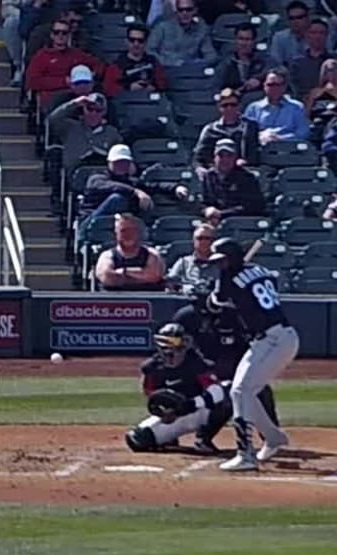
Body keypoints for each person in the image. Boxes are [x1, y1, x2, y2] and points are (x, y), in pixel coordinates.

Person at [203, 236, 297, 471]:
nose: (219, 266)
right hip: (275, 338)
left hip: (274, 339)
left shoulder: (229, 279)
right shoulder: (261, 270)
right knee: (244, 391)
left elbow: (216, 303)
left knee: (241, 391)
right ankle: (273, 438)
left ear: (233, 258)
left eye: (223, 261)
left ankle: (246, 454)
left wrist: (213, 293)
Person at [123, 322, 229, 453]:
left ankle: (203, 439)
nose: (178, 350)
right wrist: (163, 411)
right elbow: (150, 393)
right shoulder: (152, 367)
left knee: (228, 392)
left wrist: (192, 403)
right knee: (137, 439)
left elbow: (217, 391)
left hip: (199, 412)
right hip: (173, 416)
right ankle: (169, 438)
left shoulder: (196, 362)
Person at [79, 144, 191, 235]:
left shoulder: (131, 182)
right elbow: (110, 186)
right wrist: (135, 192)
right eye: (117, 162)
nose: (121, 165)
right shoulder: (96, 178)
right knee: (117, 198)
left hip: (122, 226)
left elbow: (153, 186)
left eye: (125, 162)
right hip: (92, 222)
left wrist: (175, 188)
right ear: (109, 163)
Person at [24, 13, 100, 104]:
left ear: (69, 35)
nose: (60, 36)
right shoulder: (41, 56)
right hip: (53, 97)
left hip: (78, 95)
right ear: (52, 35)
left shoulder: (77, 54)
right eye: (57, 32)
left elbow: (98, 65)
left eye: (64, 33)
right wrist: (64, 81)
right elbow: (33, 81)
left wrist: (91, 76)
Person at [92, 212, 164, 290]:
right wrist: (141, 274)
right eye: (123, 231)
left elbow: (153, 276)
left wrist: (123, 272)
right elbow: (107, 277)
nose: (128, 235)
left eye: (132, 230)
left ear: (139, 232)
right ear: (116, 233)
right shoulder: (107, 256)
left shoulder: (152, 254)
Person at [194, 88, 260, 169]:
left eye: (233, 105)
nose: (229, 108)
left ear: (239, 106)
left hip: (244, 171)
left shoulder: (250, 127)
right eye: (225, 105)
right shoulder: (210, 130)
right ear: (219, 107)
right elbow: (199, 157)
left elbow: (255, 155)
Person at [200, 139, 265, 218]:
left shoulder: (247, 178)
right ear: (214, 157)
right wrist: (206, 210)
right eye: (221, 155)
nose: (225, 159)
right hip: (213, 220)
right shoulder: (208, 176)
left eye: (229, 156)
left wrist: (222, 213)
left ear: (235, 157)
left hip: (239, 221)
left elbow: (254, 206)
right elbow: (204, 201)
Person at [245, 71, 310, 144]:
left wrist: (280, 138)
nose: (274, 88)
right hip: (260, 149)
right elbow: (247, 133)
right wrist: (261, 137)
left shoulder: (296, 107)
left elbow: (303, 133)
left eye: (278, 85)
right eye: (270, 85)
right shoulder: (253, 108)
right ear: (264, 86)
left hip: (288, 149)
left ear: (284, 87)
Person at [145, 0, 214, 68]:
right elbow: (149, 51)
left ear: (195, 10)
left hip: (191, 70)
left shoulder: (201, 30)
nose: (185, 13)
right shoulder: (161, 28)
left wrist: (198, 63)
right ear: (176, 11)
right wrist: (170, 62)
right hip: (165, 70)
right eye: (181, 10)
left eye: (188, 9)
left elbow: (210, 54)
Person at [215, 22, 266, 95]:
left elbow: (280, 70)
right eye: (241, 39)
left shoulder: (264, 59)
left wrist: (259, 79)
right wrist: (231, 92)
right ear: (235, 40)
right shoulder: (225, 64)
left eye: (248, 39)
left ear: (254, 41)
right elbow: (216, 90)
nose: (244, 43)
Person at [288, 16, 335, 95]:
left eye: (321, 33)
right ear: (306, 35)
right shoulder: (297, 63)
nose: (317, 36)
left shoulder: (336, 61)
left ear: (327, 36)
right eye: (313, 33)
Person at [270, 1, 321, 70]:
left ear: (308, 17)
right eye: (291, 18)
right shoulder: (279, 37)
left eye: (299, 17)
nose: (295, 21)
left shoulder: (319, 34)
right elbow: (275, 63)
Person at [304, 57, 337, 127]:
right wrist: (312, 99)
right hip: (317, 124)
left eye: (336, 70)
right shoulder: (315, 93)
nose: (333, 73)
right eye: (329, 70)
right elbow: (306, 115)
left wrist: (336, 96)